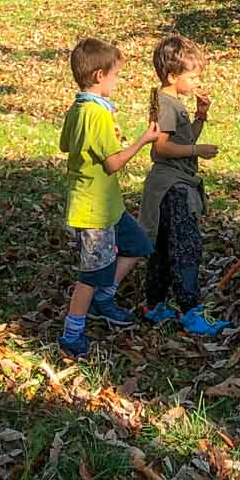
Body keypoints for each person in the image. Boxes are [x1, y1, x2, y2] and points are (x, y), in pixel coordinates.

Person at [58, 36, 162, 359]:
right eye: (115, 75)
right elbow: (113, 162)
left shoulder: (78, 108)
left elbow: (66, 145)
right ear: (100, 76)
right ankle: (71, 333)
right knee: (89, 275)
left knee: (138, 245)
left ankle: (105, 298)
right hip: (94, 211)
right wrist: (144, 139)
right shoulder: (97, 115)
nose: (117, 81)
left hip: (108, 206)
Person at [138, 36, 231, 335]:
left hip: (169, 186)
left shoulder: (169, 102)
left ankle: (154, 304)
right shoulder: (167, 105)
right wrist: (197, 151)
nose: (196, 82)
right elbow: (161, 148)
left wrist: (200, 117)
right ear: (171, 76)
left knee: (163, 247)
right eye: (192, 77)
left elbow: (182, 138)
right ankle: (191, 310)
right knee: (185, 247)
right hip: (173, 188)